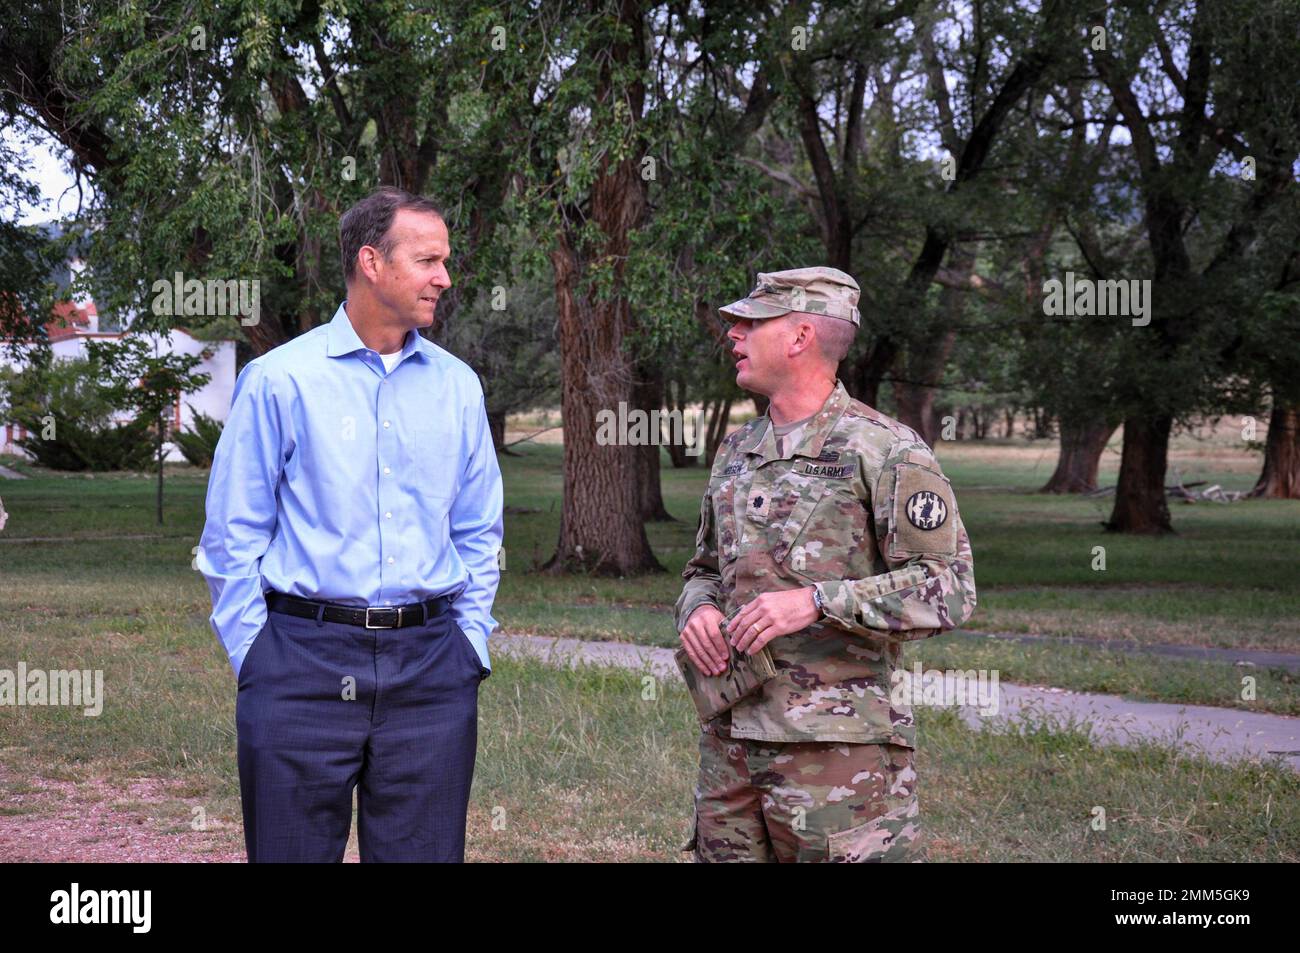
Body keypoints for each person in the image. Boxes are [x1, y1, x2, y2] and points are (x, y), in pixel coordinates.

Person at [197, 187, 503, 862]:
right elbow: (231, 534)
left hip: (432, 669)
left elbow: (479, 530)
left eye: (445, 261)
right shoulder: (279, 380)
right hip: (299, 664)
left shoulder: (458, 387)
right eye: (427, 260)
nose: (444, 278)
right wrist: (256, 656)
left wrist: (468, 644)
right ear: (371, 262)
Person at [674, 266, 976, 863]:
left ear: (800, 336)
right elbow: (704, 568)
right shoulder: (737, 450)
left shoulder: (886, 450)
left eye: (751, 323)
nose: (733, 334)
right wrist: (699, 610)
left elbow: (949, 587)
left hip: (838, 753)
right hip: (731, 743)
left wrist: (816, 602)